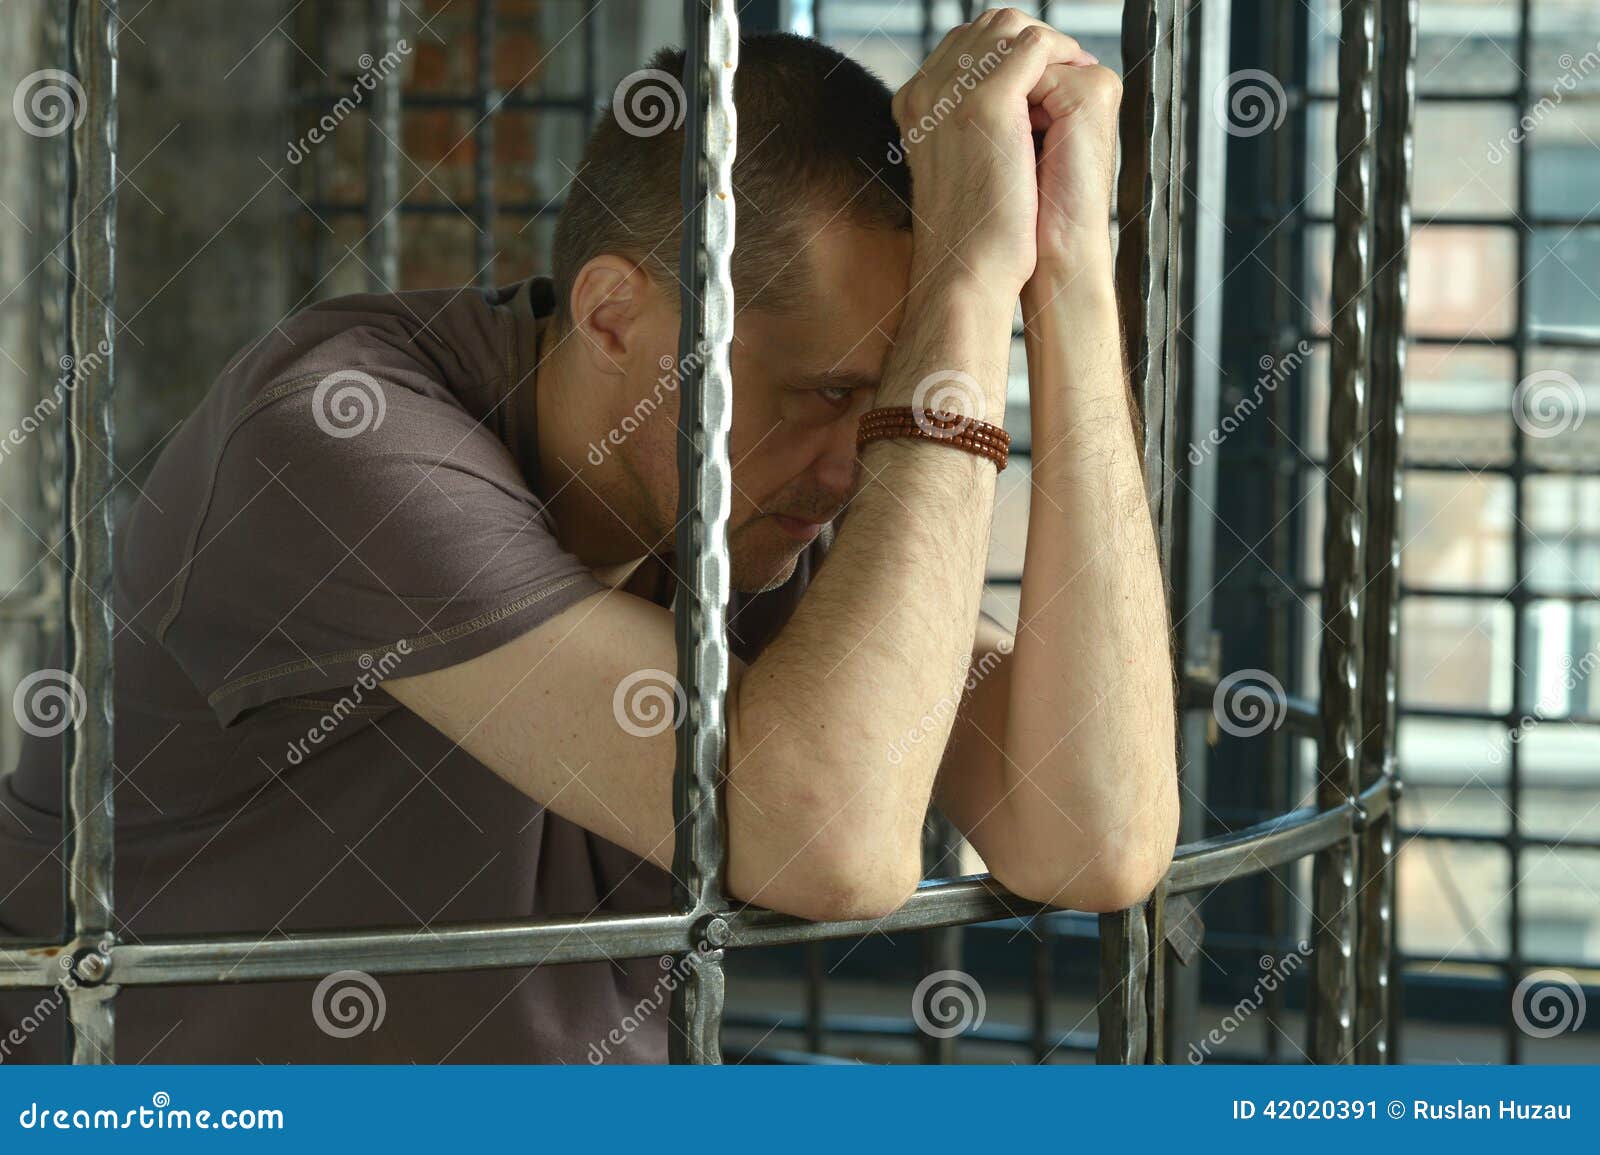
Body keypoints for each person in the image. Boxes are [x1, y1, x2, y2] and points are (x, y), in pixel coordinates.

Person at [0, 13, 1176, 1064]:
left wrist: (1067, 279)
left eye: (879, 402)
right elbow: (837, 845)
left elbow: (1096, 838)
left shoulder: (741, 501)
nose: (851, 464)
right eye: (825, 392)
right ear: (617, 315)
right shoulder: (336, 435)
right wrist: (965, 294)